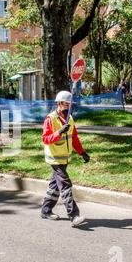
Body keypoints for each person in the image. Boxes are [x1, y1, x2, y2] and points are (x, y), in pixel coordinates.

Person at [41, 90, 90, 227]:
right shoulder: (50, 119)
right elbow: (45, 139)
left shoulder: (70, 119)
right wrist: (59, 132)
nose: (68, 106)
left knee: (55, 186)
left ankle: (45, 210)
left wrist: (82, 152)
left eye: (70, 104)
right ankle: (74, 215)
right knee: (66, 184)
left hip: (65, 159)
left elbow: (74, 138)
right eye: (66, 103)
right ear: (59, 103)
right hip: (55, 159)